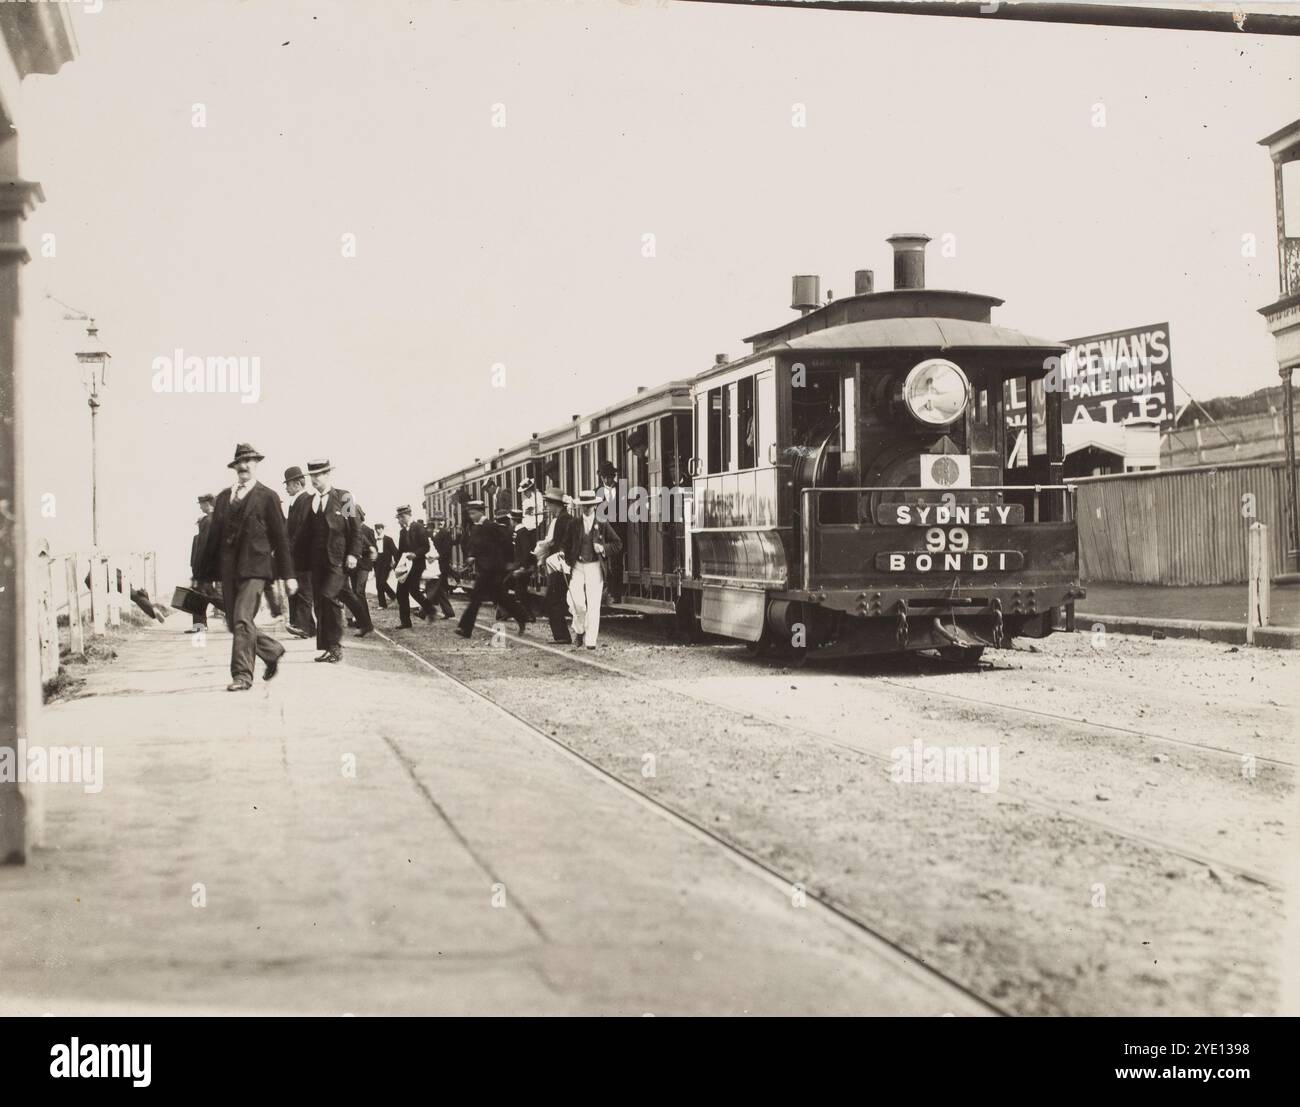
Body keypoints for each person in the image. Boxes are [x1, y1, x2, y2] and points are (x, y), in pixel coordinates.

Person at [198, 443, 297, 690]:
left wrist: (288, 575)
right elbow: (213, 540)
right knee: (235, 623)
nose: (244, 466)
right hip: (229, 570)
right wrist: (201, 575)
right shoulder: (223, 498)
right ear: (235, 467)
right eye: (240, 463)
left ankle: (242, 676)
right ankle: (271, 650)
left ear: (256, 465)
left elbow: (281, 540)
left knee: (242, 618)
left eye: (249, 462)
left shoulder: (268, 497)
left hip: (256, 570)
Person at [291, 459, 363, 662]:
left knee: (329, 597)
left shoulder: (345, 496)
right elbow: (302, 533)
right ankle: (328, 647)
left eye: (319, 475)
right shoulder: (309, 501)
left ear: (328, 475)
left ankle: (336, 647)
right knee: (320, 602)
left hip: (338, 560)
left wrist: (353, 554)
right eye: (312, 475)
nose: (315, 479)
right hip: (316, 560)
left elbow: (356, 529)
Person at [455, 500, 528, 638]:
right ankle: (521, 616)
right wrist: (471, 556)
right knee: (500, 597)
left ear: (481, 512)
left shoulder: (491, 526)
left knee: (476, 598)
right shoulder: (476, 527)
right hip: (484, 569)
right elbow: (474, 546)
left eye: (473, 513)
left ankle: (465, 628)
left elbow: (506, 542)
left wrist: (507, 562)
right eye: (470, 513)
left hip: (494, 570)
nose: (471, 516)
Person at [563, 489, 622, 649]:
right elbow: (566, 545)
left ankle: (590, 641)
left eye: (590, 505)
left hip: (596, 567)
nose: (587, 509)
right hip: (578, 567)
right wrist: (567, 558)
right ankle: (580, 630)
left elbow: (618, 543)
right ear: (581, 507)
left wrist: (603, 548)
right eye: (584, 506)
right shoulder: (574, 524)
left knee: (594, 605)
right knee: (577, 602)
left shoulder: (602, 523)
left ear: (595, 506)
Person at [534, 487, 573, 644]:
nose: (547, 508)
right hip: (561, 563)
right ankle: (564, 636)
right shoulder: (564, 518)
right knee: (556, 600)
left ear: (555, 504)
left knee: (553, 600)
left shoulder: (561, 520)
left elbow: (558, 543)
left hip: (559, 565)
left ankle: (563, 636)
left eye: (548, 504)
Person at [282, 465, 316, 639]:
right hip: (295, 555)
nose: (286, 488)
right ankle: (307, 626)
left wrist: (289, 549)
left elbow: (302, 530)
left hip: (304, 556)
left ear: (297, 483)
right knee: (296, 591)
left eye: (287, 484)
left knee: (304, 591)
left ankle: (302, 626)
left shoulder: (307, 500)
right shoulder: (295, 502)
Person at [394, 505, 435, 628]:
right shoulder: (402, 531)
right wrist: (396, 563)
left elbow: (426, 547)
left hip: (417, 564)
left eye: (400, 518)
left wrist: (415, 554)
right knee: (401, 593)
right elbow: (401, 550)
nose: (399, 520)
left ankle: (429, 609)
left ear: (406, 516)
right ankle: (406, 622)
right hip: (406, 565)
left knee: (413, 590)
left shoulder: (418, 527)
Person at [343, 505, 376, 636]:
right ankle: (364, 623)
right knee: (355, 593)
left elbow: (371, 545)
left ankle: (365, 624)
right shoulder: (348, 529)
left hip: (364, 564)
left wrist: (369, 550)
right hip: (353, 566)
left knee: (359, 591)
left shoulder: (366, 530)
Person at [596, 459, 626, 603]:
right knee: (604, 562)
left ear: (613, 476)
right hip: (604, 531)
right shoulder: (597, 492)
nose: (607, 480)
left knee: (617, 563)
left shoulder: (622, 489)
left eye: (609, 476)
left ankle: (616, 594)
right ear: (601, 477)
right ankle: (607, 592)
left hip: (618, 530)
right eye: (604, 477)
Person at [187, 492, 216, 633]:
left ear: (207, 504)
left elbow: (204, 546)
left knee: (201, 595)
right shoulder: (211, 519)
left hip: (204, 566)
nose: (200, 507)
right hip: (208, 565)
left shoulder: (208, 521)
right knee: (205, 594)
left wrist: (198, 567)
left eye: (201, 504)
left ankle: (199, 626)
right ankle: (200, 625)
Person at [422, 511, 456, 619]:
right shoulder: (431, 533)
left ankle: (424, 611)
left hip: (442, 565)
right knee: (439, 590)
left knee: (432, 588)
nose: (439, 522)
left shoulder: (445, 533)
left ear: (443, 521)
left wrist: (436, 557)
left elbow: (447, 550)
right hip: (433, 565)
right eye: (437, 520)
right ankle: (448, 612)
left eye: (441, 520)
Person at [373, 523, 398, 607]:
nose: (377, 530)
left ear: (383, 529)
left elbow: (395, 551)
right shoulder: (374, 539)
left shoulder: (388, 539)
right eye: (376, 529)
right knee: (378, 584)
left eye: (379, 528)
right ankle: (382, 604)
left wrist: (396, 563)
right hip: (377, 563)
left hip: (386, 564)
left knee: (381, 582)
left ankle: (394, 597)